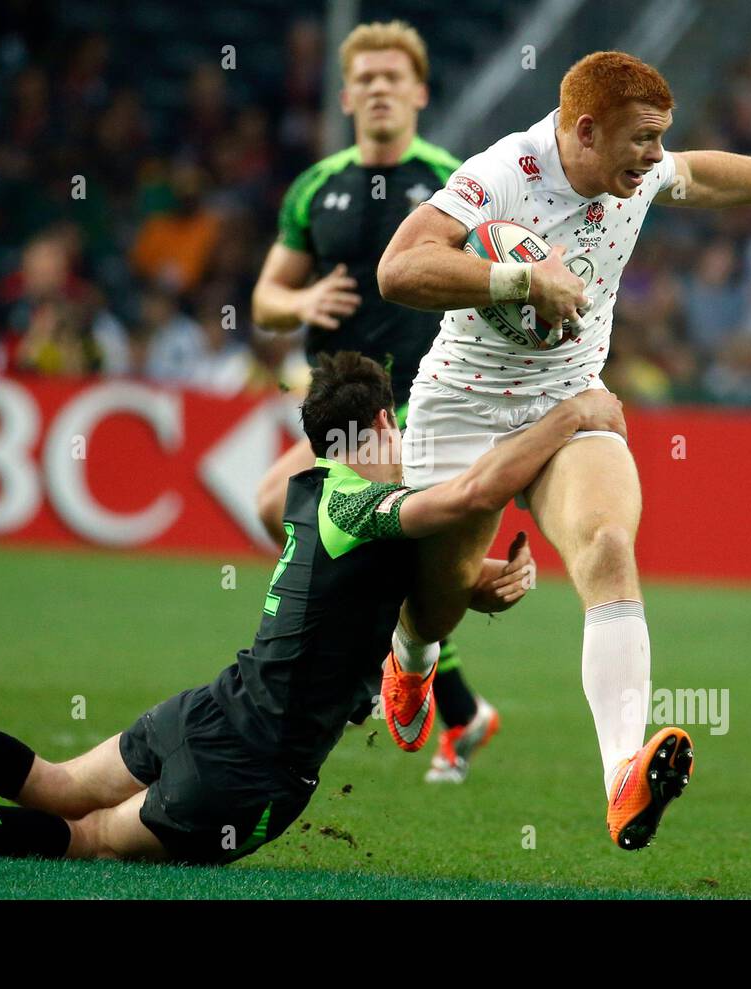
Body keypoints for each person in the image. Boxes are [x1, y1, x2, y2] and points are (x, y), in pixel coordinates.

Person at [0, 353, 627, 864]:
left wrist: (472, 587)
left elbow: (374, 575)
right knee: (84, 840)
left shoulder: (312, 490)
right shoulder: (364, 504)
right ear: (388, 423)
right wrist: (575, 410)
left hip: (213, 708)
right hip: (253, 768)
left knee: (56, 783)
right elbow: (472, 488)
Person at [376, 50, 751, 849]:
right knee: (442, 593)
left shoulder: (642, 171)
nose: (656, 156)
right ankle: (413, 655)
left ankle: (624, 772)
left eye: (661, 137)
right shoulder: (503, 173)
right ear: (584, 130)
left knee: (610, 547)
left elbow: (698, 176)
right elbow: (398, 268)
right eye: (642, 139)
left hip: (574, 399)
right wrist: (518, 283)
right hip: (463, 409)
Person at [252, 20, 495, 783]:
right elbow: (263, 299)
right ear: (348, 93)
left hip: (423, 406)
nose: (381, 87)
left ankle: (414, 683)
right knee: (274, 508)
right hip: (343, 416)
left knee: (359, 539)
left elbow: (495, 274)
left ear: (420, 92)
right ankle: (453, 702)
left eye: (395, 76)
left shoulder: (455, 181)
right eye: (367, 77)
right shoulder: (315, 187)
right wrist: (304, 300)